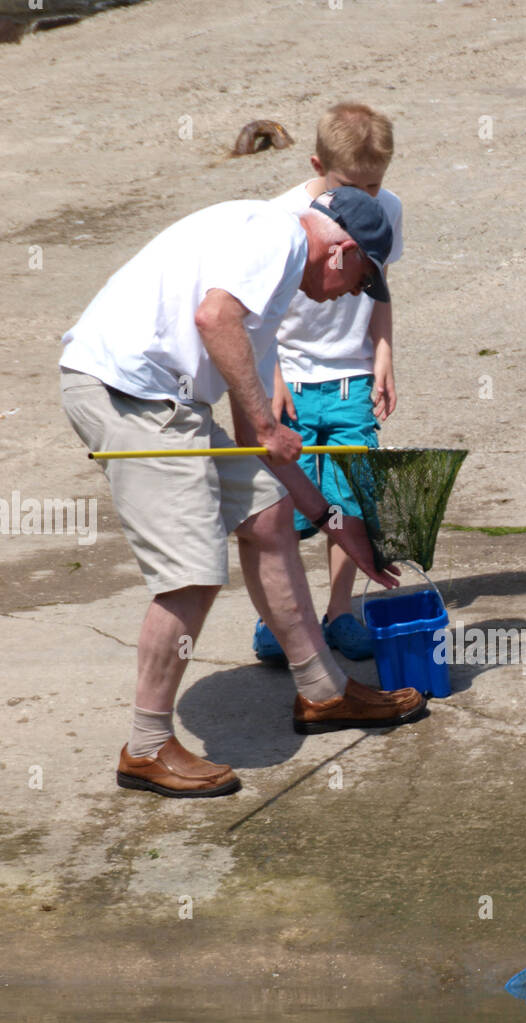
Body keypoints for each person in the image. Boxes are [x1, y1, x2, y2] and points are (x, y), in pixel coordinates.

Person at [60, 190, 425, 799]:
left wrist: (334, 519)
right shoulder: (275, 238)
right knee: (192, 574)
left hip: (165, 399)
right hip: (128, 393)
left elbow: (256, 429)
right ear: (342, 252)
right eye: (360, 281)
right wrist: (271, 427)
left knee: (269, 514)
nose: (348, 297)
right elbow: (213, 322)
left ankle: (323, 692)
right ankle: (145, 748)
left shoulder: (268, 271)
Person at [253, 102, 403, 665]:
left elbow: (380, 279)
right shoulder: (281, 215)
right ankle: (281, 616)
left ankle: (340, 609)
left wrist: (383, 351)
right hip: (288, 374)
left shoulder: (386, 207)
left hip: (350, 377)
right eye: (352, 185)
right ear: (318, 163)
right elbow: (260, 310)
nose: (366, 196)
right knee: (285, 504)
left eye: (376, 183)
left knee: (353, 497)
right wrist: (270, 373)